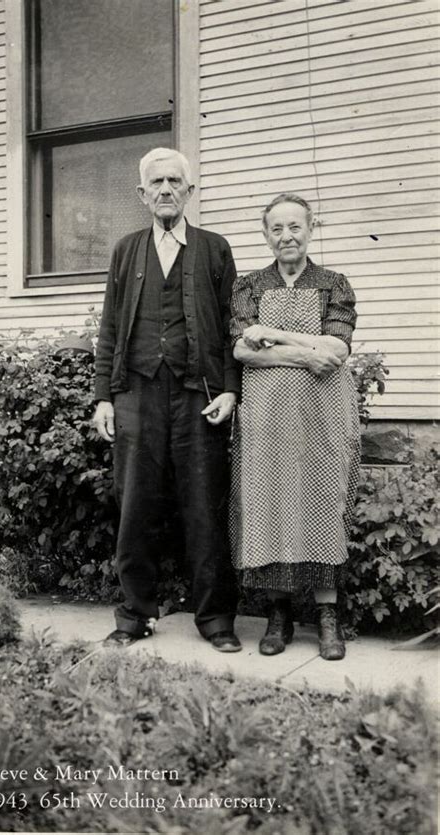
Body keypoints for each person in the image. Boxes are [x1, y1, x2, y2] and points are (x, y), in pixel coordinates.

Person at [92, 148, 241, 652]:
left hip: (197, 396)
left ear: (190, 191)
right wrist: (104, 398)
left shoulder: (214, 249)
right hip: (136, 392)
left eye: (175, 181)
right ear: (141, 193)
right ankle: (134, 616)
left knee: (204, 508)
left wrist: (228, 388)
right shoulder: (126, 250)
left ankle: (216, 619)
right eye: (155, 182)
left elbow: (229, 329)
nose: (165, 190)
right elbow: (109, 328)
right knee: (135, 506)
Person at [229, 192, 360, 660]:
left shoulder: (334, 284)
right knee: (271, 505)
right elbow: (242, 350)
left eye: (295, 227)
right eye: (277, 229)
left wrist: (277, 336)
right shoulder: (249, 287)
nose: (287, 236)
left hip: (321, 414)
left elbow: (338, 351)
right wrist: (310, 352)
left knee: (322, 502)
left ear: (311, 228)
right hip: (266, 418)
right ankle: (278, 615)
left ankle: (327, 616)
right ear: (266, 235)